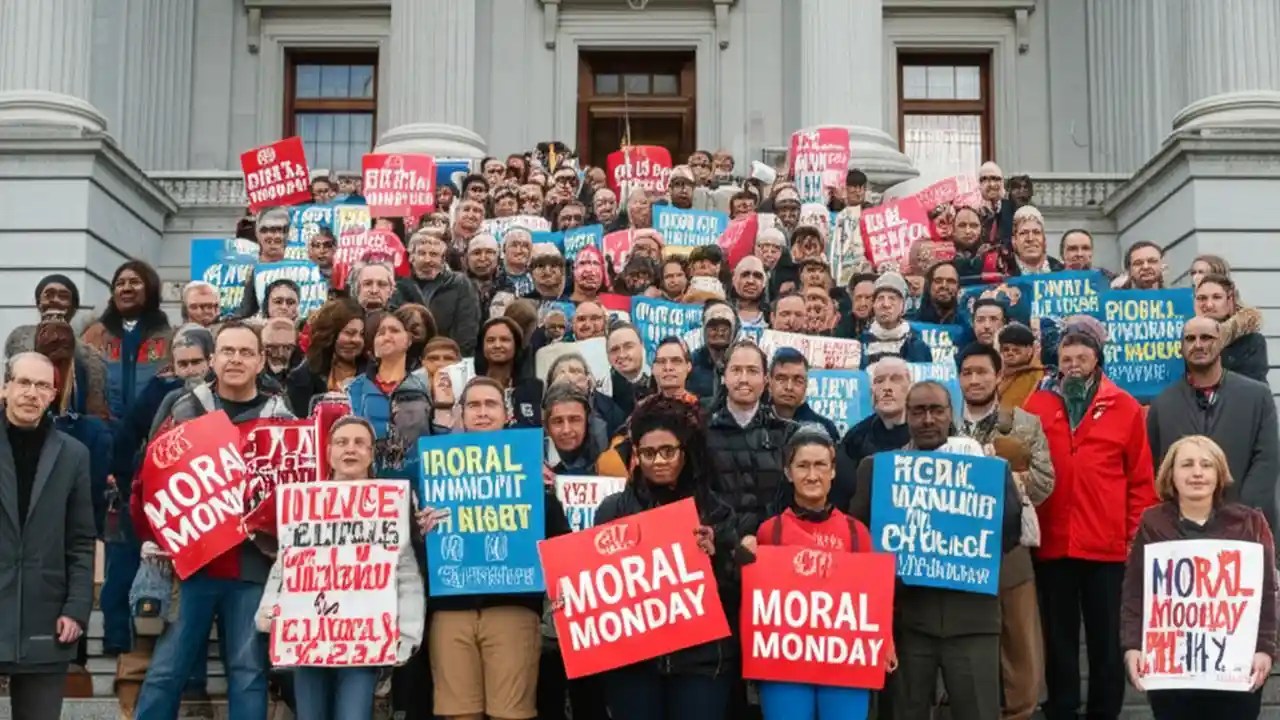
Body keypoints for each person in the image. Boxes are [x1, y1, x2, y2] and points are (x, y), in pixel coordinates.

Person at [132, 322, 295, 720]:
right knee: (167, 670)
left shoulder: (285, 422)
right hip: (191, 565)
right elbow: (148, 479)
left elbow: (297, 495)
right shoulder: (181, 408)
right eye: (227, 351)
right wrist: (154, 536)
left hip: (255, 565)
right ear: (212, 360)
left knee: (248, 673)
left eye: (244, 352)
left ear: (260, 361)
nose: (235, 359)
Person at [849, 380, 1022, 720]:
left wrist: (963, 556)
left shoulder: (989, 472)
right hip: (907, 622)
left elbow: (1009, 531)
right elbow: (859, 535)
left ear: (950, 415)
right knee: (904, 713)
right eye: (918, 411)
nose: (928, 419)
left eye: (936, 410)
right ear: (906, 416)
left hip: (973, 618)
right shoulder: (878, 469)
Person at [1023, 315, 1158, 720]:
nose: (1074, 363)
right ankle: (1062, 709)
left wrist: (1133, 537)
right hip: (1053, 543)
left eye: (1083, 355)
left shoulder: (1125, 406)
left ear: (1097, 359)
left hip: (1107, 547)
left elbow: (1140, 480)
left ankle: (1104, 713)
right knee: (1059, 639)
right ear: (1057, 360)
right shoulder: (1038, 403)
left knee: (1106, 641)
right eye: (1067, 356)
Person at [419, 376, 571, 720]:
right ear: (459, 414)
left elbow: (561, 540)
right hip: (451, 609)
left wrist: (538, 498)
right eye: (474, 405)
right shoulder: (432, 473)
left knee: (512, 714)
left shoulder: (533, 473)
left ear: (507, 415)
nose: (482, 413)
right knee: (459, 714)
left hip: (513, 607)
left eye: (491, 405)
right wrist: (422, 529)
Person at [256, 415, 425, 720]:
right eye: (342, 442)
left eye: (360, 443)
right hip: (309, 640)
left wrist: (409, 632)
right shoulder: (304, 503)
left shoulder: (390, 503)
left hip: (364, 642)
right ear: (328, 451)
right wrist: (269, 607)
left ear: (372, 453)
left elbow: (406, 573)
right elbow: (286, 563)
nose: (351, 449)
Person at [593, 394, 740, 720]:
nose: (658, 460)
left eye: (668, 451)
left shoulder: (715, 512)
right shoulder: (611, 511)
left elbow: (736, 591)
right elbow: (593, 584)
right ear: (636, 457)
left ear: (685, 454)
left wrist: (717, 559)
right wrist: (572, 600)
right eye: (648, 453)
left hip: (700, 664)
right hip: (632, 664)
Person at [1120, 435, 1277, 719]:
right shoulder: (1152, 524)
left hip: (1235, 669)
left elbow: (1267, 593)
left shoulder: (1250, 524)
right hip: (1172, 674)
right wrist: (1133, 647)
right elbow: (1135, 592)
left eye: (1206, 465)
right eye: (1187, 465)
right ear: (1171, 474)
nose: (1197, 473)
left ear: (1219, 474)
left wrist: (1265, 649)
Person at [109, 325, 217, 712]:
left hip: (221, 534)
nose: (190, 370)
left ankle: (197, 690)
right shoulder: (168, 400)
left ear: (212, 360)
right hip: (170, 532)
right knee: (162, 624)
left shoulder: (225, 400)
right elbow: (146, 463)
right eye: (182, 363)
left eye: (197, 362)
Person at [751, 430, 880, 720]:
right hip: (785, 663)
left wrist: (886, 643)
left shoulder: (855, 532)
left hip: (845, 662)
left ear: (833, 471)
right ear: (788, 472)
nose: (812, 475)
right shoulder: (770, 531)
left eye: (821, 465)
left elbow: (872, 598)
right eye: (803, 466)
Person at [957, 343, 1055, 720]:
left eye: (983, 371)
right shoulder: (946, 422)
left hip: (1011, 545)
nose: (975, 379)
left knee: (1020, 645)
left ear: (999, 376)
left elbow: (1046, 482)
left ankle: (1021, 712)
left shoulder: (1025, 423)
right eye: (967, 372)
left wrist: (996, 477)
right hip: (961, 550)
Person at [0, 352, 95, 719]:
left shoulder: (73, 455)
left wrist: (77, 609)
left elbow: (81, 541)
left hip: (46, 614)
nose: (31, 393)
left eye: (42, 385)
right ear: (6, 388)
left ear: (54, 394)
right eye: (24, 382)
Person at [1147, 315, 1280, 538]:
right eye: (1190, 339)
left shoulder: (1257, 396)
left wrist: (1240, 516)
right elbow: (1157, 467)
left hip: (1246, 531)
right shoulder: (1163, 405)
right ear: (1181, 348)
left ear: (1221, 343)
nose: (1198, 345)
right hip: (1183, 533)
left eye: (1206, 337)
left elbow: (1266, 460)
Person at [705, 341, 795, 531]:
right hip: (718, 542)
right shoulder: (702, 431)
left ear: (765, 380)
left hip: (771, 542)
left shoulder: (787, 434)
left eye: (752, 371)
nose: (744, 379)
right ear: (724, 376)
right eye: (736, 370)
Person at [80, 260, 173, 419]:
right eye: (120, 284)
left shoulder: (169, 338)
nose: (126, 288)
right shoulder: (95, 334)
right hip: (105, 428)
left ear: (150, 290)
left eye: (135, 282)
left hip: (152, 428)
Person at [345, 308, 430, 477]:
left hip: (415, 481)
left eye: (395, 330)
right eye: (380, 333)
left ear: (409, 340)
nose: (387, 336)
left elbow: (439, 440)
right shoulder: (353, 389)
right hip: (366, 482)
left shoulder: (426, 387)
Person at [834, 357, 911, 511]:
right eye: (879, 381)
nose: (887, 387)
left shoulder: (927, 431)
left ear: (910, 388)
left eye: (896, 379)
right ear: (871, 391)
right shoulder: (855, 437)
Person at [400, 230, 481, 355]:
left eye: (433, 254)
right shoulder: (401, 286)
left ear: (443, 259)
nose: (427, 260)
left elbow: (467, 330)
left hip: (448, 359)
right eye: (422, 253)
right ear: (411, 257)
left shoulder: (460, 284)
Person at [286, 297, 366, 416]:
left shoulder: (370, 373)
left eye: (362, 334)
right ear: (329, 334)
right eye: (349, 333)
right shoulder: (302, 378)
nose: (357, 340)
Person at [1195, 273, 1268, 383]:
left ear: (1230, 301)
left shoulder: (1251, 341)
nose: (1209, 304)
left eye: (1217, 297)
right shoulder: (1186, 340)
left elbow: (1253, 389)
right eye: (1202, 298)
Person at [858, 272, 932, 368]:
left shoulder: (917, 345)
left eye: (892, 299)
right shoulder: (861, 344)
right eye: (880, 298)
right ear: (873, 305)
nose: (886, 304)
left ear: (903, 306)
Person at [767, 348, 838, 441]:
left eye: (798, 381)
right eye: (781, 379)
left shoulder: (823, 429)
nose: (789, 387)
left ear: (806, 385)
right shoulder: (754, 423)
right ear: (769, 382)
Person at [232, 207, 291, 318]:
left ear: (288, 233)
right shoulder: (248, 268)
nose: (273, 236)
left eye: (279, 230)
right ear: (257, 233)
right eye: (265, 230)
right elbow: (245, 311)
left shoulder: (304, 267)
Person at [995, 322, 1045, 410]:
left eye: (1016, 350)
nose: (1010, 353)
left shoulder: (1039, 377)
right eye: (1006, 349)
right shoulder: (997, 374)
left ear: (1030, 350)